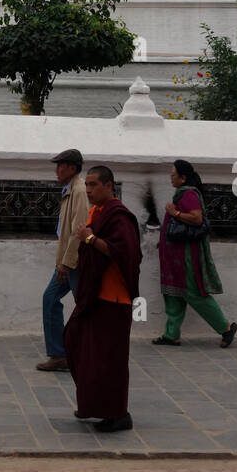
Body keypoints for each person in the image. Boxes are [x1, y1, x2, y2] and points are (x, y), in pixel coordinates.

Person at [64, 165, 141, 432]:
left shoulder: (120, 217)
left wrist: (91, 238)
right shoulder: (96, 212)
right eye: (87, 185)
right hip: (94, 297)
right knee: (80, 347)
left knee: (111, 360)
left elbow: (123, 252)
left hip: (114, 300)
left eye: (94, 185)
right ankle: (92, 405)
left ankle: (118, 415)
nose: (89, 190)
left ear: (109, 186)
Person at [153, 158, 237, 348]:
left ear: (183, 178)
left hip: (185, 257)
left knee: (194, 293)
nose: (170, 178)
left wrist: (174, 213)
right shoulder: (181, 193)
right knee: (173, 294)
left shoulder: (189, 194)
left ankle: (226, 327)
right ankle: (171, 334)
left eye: (173, 175)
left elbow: (196, 218)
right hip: (174, 255)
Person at [36, 148, 90, 372]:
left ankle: (73, 352)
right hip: (68, 261)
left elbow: (79, 229)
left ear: (72, 168)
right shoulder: (70, 189)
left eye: (61, 165)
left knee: (81, 307)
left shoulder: (79, 190)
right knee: (55, 300)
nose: (57, 170)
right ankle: (61, 354)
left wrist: (66, 264)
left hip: (75, 262)